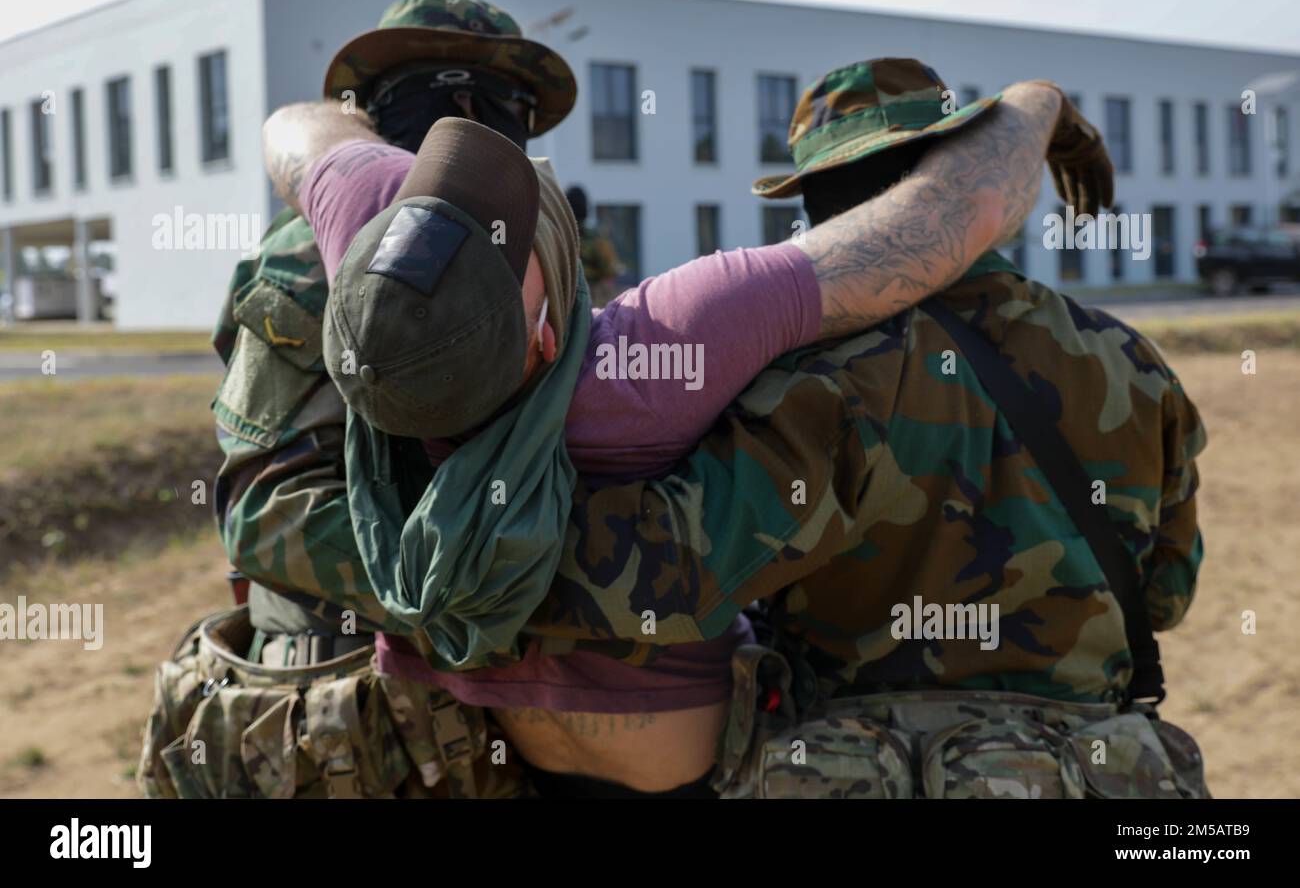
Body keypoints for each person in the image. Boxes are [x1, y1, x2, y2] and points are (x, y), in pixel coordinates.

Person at [260, 64, 1113, 796]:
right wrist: (1038, 104)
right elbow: (949, 214)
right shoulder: (647, 362)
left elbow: (294, 131)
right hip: (684, 775)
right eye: (505, 230)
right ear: (547, 338)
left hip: (489, 747)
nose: (477, 196)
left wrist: (362, 140)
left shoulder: (382, 295)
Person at [515, 59, 1210, 798]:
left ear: (823, 211)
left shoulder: (822, 380)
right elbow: (1167, 593)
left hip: (862, 765)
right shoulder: (1132, 362)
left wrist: (472, 531)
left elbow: (663, 579)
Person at [139, 0, 577, 799]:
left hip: (494, 715)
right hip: (350, 716)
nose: (475, 122)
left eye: (500, 111)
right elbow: (266, 510)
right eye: (447, 103)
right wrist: (493, 581)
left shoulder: (537, 252)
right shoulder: (309, 254)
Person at [564, 184, 623, 306]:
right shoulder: (596, 238)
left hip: (563, 301)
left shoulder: (559, 238)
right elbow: (610, 273)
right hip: (592, 301)